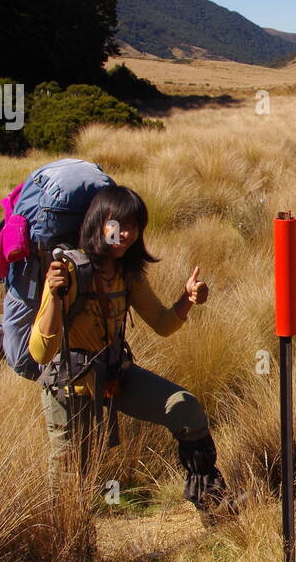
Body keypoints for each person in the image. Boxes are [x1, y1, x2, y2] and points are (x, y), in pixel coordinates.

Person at [27, 184, 235, 518]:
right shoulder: (69, 271)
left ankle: (213, 504)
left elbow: (163, 324)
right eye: (118, 225)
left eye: (134, 227)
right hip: (70, 385)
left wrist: (187, 299)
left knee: (186, 409)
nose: (126, 234)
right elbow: (40, 351)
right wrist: (54, 296)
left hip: (114, 375)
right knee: (70, 476)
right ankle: (67, 552)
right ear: (99, 222)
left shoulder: (127, 272)